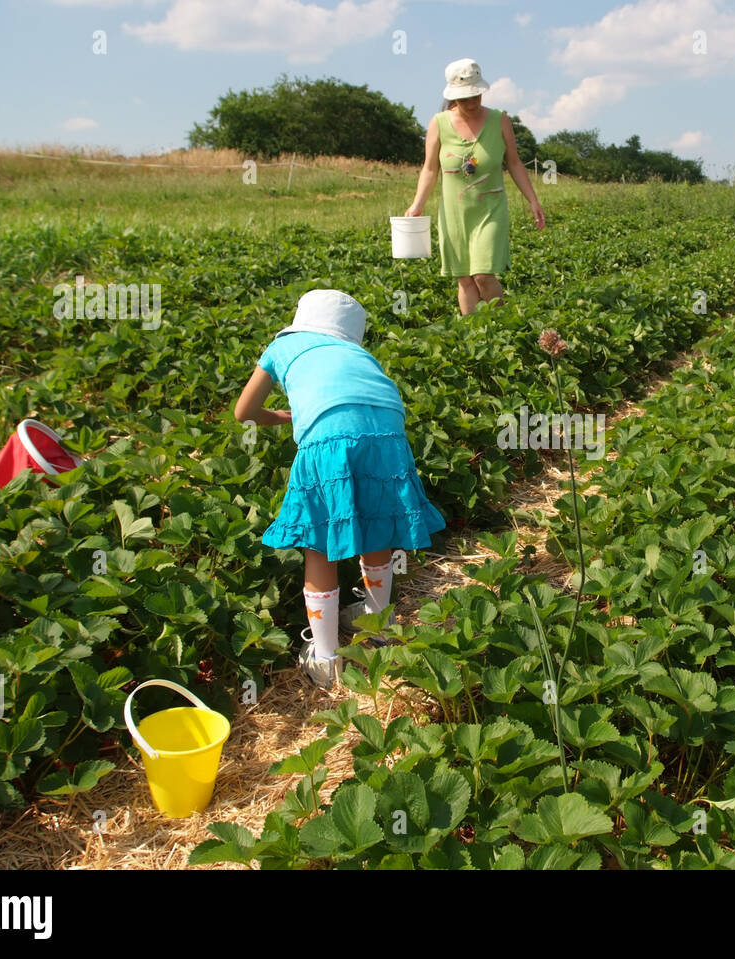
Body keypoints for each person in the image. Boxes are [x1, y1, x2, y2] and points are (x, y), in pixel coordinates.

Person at [233, 290, 446, 687]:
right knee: (378, 526)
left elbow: (243, 411)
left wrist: (280, 416)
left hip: (328, 441)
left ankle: (326, 658)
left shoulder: (284, 345)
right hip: (389, 434)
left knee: (319, 543)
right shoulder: (360, 355)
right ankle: (379, 627)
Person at [404, 57, 546, 315]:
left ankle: (503, 326)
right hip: (454, 213)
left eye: (476, 96)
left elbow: (514, 163)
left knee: (482, 275)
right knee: (465, 279)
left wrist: (533, 200)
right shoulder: (439, 123)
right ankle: (474, 337)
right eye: (465, 98)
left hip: (490, 207)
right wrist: (417, 204)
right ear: (453, 97)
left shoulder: (499, 120)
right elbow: (430, 168)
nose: (472, 103)